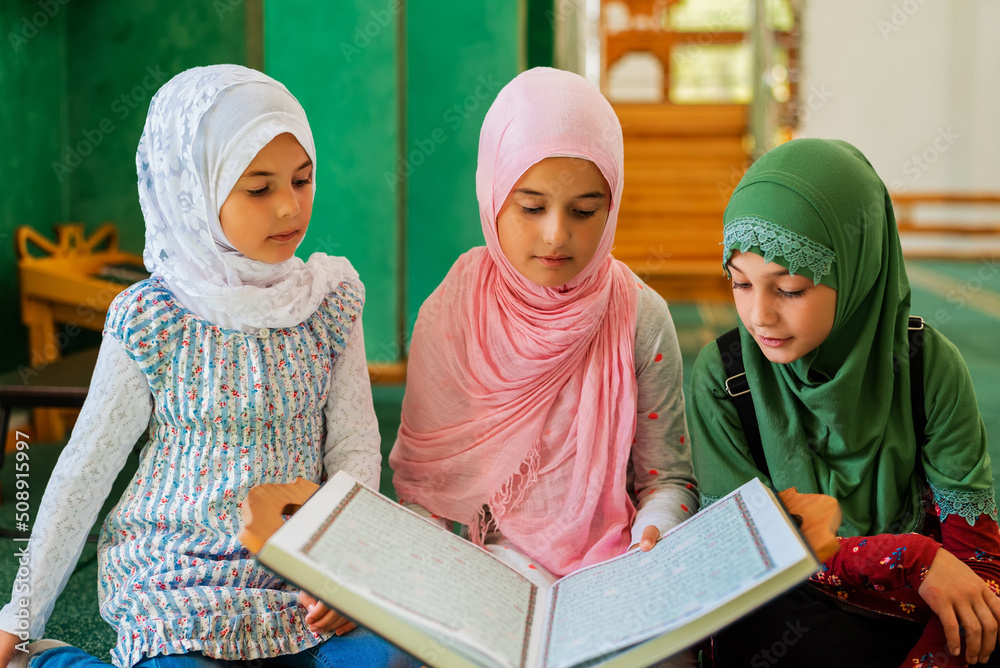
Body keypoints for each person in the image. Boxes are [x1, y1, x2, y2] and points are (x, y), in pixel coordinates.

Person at [0, 65, 415, 668]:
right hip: (178, 576)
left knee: (401, 660)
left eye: (302, 180)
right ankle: (43, 659)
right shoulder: (150, 318)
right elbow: (83, 471)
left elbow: (352, 447)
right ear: (195, 189)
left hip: (298, 575)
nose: (287, 208)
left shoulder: (330, 300)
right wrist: (20, 613)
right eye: (258, 188)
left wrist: (343, 571)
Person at [389, 67, 698, 664]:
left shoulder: (639, 316)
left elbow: (668, 479)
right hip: (483, 574)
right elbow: (426, 496)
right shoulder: (452, 315)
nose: (557, 236)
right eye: (531, 207)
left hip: (609, 572)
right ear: (493, 194)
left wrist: (654, 534)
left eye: (585, 212)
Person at [689, 137, 1000, 667]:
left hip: (917, 600)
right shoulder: (724, 377)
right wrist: (909, 558)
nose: (759, 316)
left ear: (857, 271)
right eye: (740, 284)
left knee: (981, 623)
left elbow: (977, 551)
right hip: (794, 596)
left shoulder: (926, 366)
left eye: (788, 289)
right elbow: (744, 547)